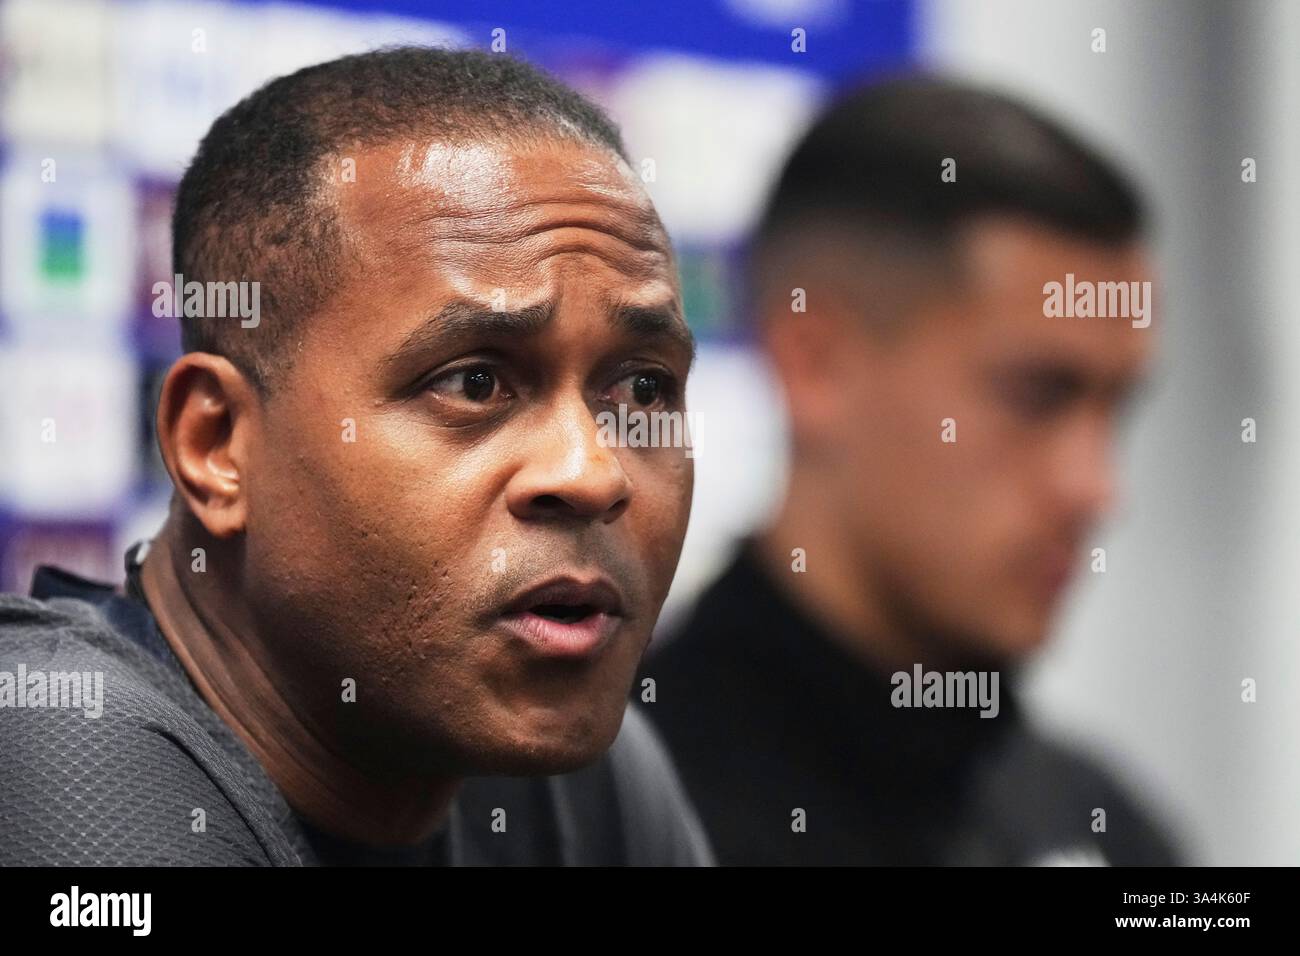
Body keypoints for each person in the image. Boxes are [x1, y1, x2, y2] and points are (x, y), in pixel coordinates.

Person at [0, 47, 711, 866]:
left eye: (645, 391)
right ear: (216, 445)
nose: (593, 473)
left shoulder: (584, 782)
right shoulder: (59, 745)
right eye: (475, 383)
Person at [637, 76, 1181, 866]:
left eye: (1114, 410)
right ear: (817, 363)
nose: (1096, 490)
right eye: (1036, 396)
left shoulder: (1104, 827)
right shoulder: (600, 819)